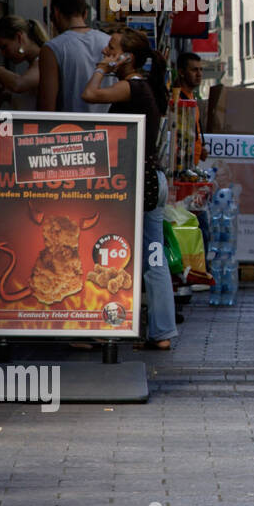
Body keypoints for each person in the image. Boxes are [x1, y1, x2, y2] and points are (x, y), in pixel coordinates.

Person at [81, 28, 177, 349]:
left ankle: (103, 326)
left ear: (127, 57)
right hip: (153, 180)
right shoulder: (144, 87)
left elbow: (90, 94)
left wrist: (100, 70)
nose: (106, 53)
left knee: (110, 252)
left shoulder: (131, 87)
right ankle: (162, 332)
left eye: (111, 48)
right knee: (154, 257)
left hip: (137, 183)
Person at [38, 0, 113, 113]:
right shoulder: (110, 42)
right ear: (85, 14)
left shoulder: (52, 48)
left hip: (72, 129)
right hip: (112, 128)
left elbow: (46, 108)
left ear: (56, 13)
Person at [0, 16, 47, 108]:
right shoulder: (35, 63)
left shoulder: (43, 60)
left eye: (4, 47)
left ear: (19, 37)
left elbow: (19, 84)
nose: (3, 53)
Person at [171, 51, 206, 166]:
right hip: (181, 165)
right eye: (194, 70)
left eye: (201, 70)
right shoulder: (177, 99)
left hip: (190, 164)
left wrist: (200, 148)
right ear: (181, 72)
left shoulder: (190, 97)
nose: (199, 74)